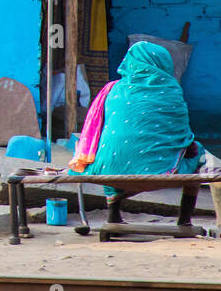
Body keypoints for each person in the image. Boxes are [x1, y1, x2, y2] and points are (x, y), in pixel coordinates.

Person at [73, 41, 209, 224]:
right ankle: (184, 221)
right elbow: (183, 137)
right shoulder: (171, 91)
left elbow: (98, 132)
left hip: (106, 171)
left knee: (110, 150)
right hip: (160, 173)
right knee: (198, 153)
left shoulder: (112, 90)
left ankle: (113, 215)